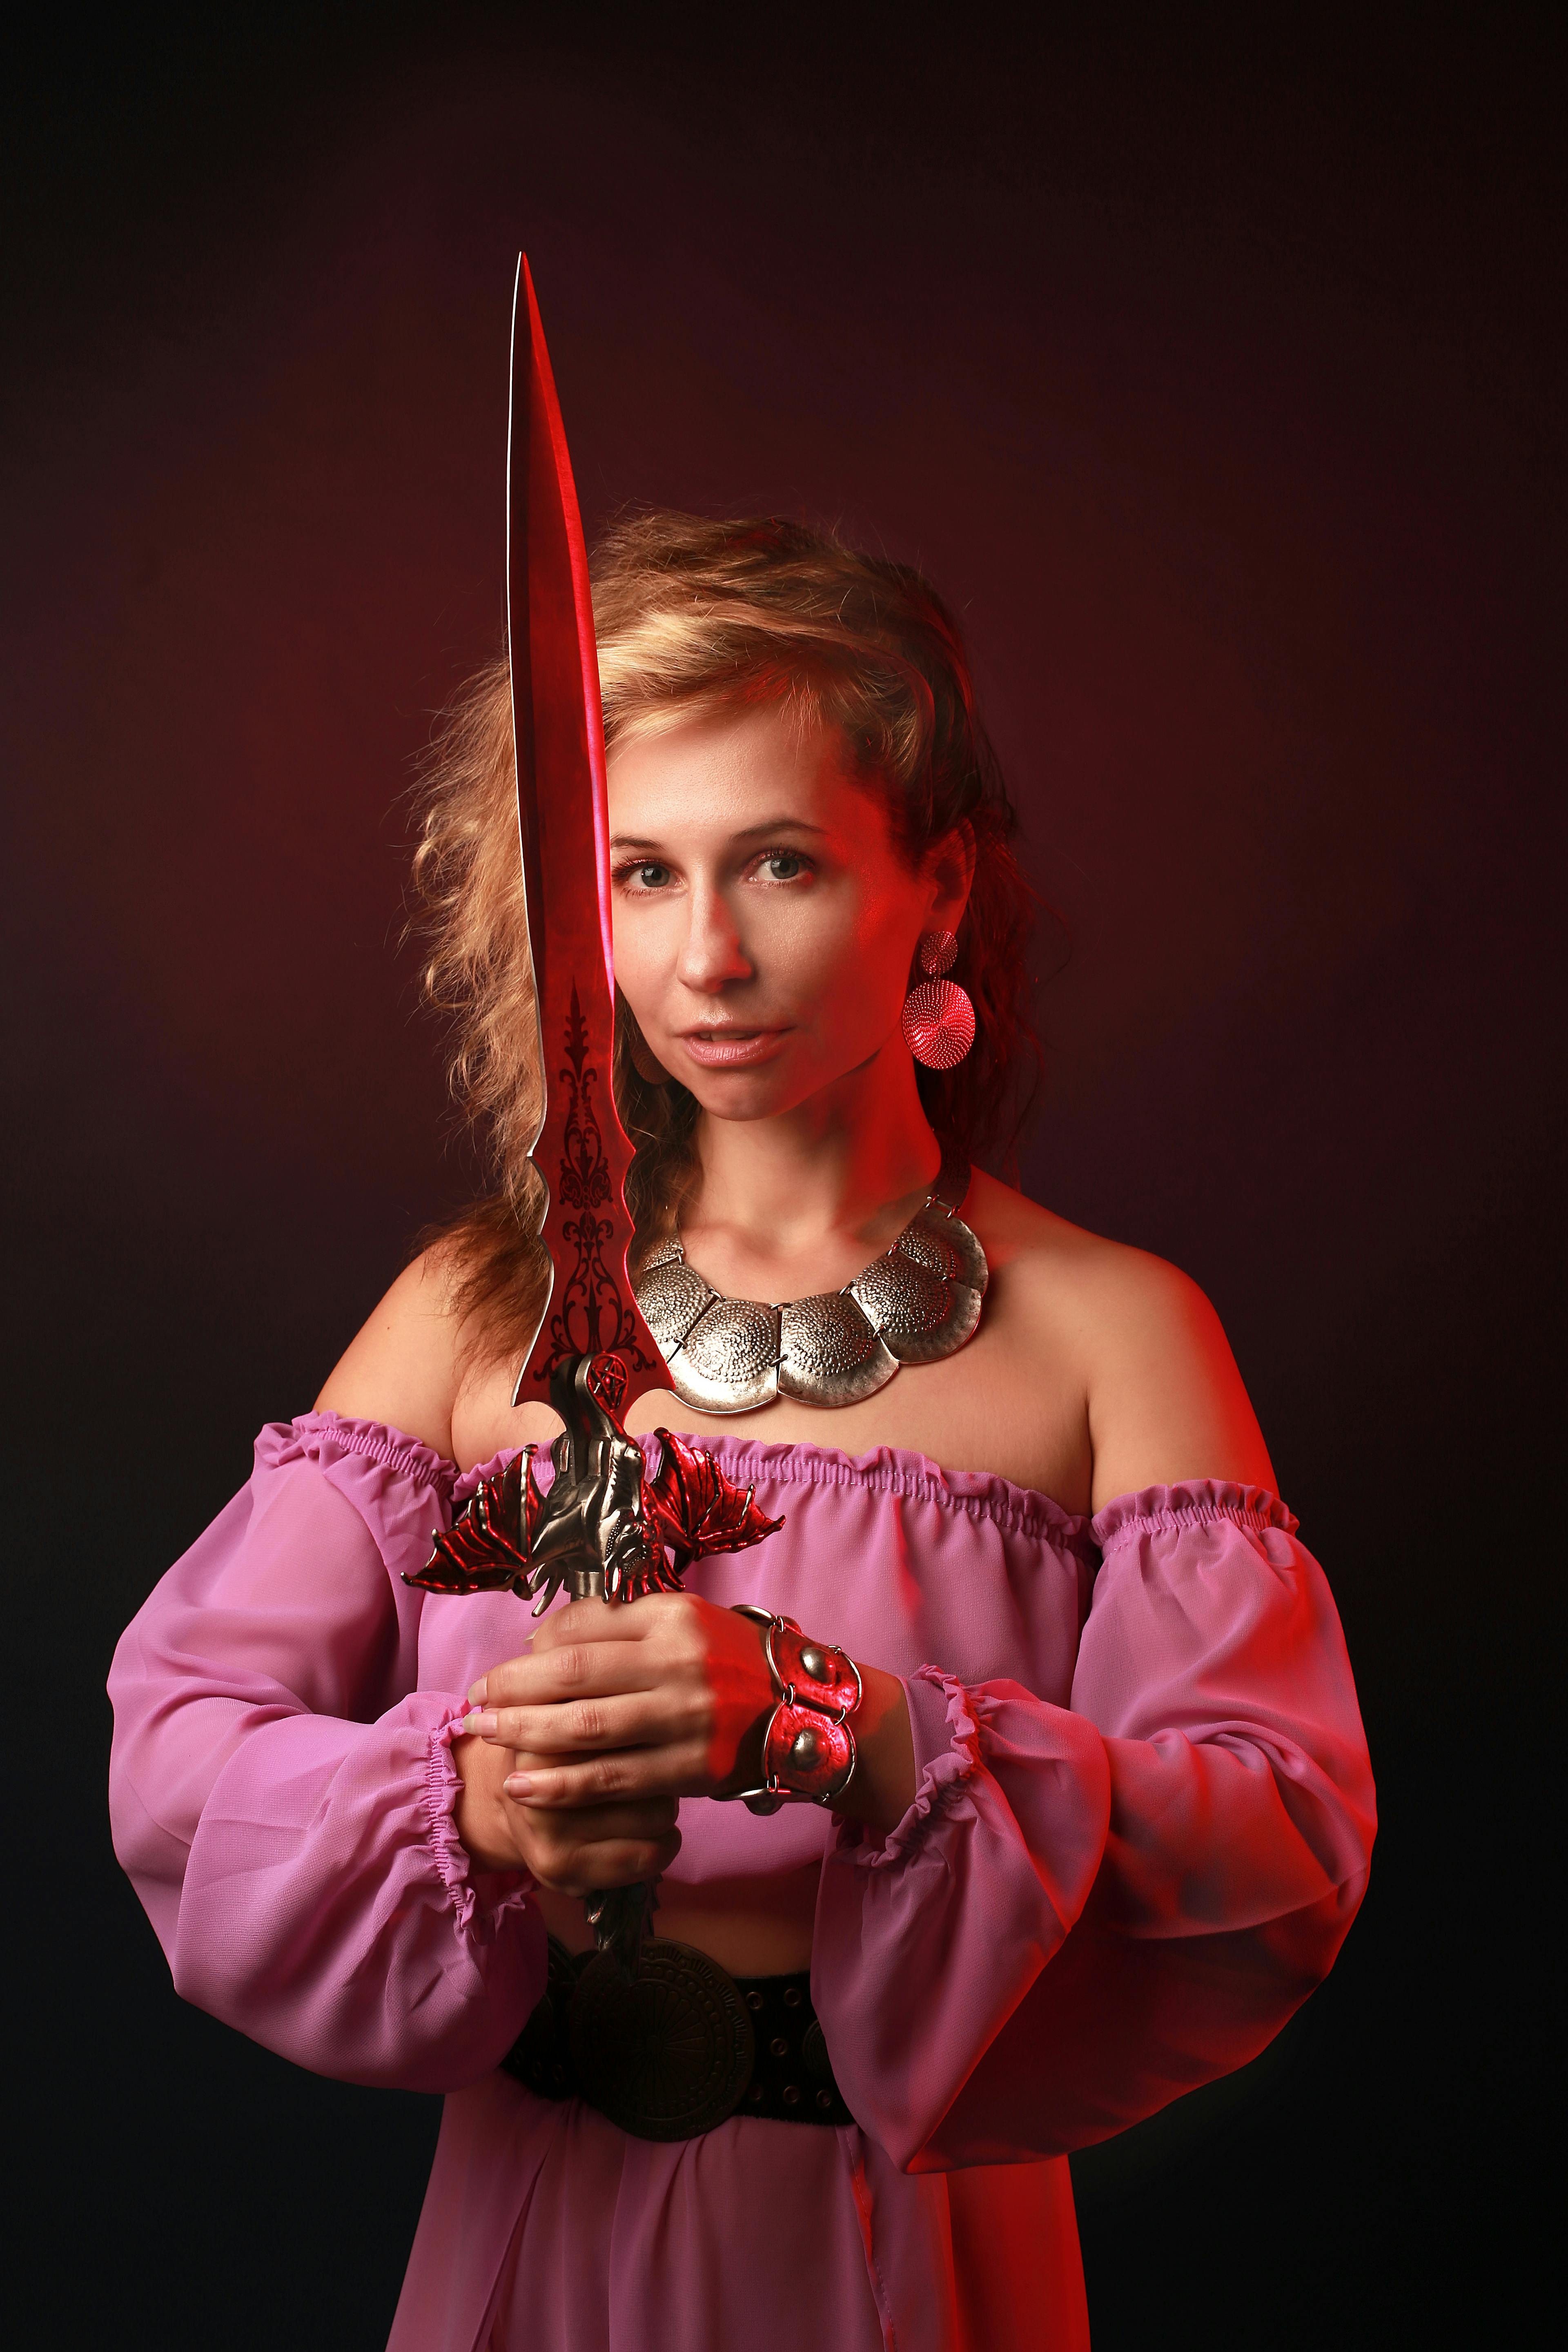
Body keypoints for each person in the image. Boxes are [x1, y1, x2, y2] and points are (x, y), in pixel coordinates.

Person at [109, 513, 1376, 2352]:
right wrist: (475, 1796)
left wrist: (838, 1724)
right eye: (637, 875)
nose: (704, 956)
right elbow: (177, 1762)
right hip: (533, 2212)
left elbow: (1275, 1847)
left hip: (908, 2245)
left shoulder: (1119, 1335)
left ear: (932, 886)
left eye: (778, 863)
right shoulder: (474, 1318)